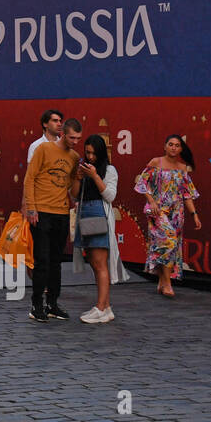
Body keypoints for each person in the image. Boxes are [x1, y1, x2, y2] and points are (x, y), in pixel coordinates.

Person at [22, 116, 82, 322]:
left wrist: (79, 178)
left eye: (78, 138)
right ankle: (36, 304)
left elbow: (73, 191)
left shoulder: (74, 157)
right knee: (42, 261)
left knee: (56, 262)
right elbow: (29, 179)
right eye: (72, 137)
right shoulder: (43, 149)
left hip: (61, 213)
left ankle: (53, 304)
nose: (75, 142)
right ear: (63, 134)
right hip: (41, 212)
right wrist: (31, 208)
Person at [134, 134, 200, 299]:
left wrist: (195, 215)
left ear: (180, 149)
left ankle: (162, 281)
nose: (173, 148)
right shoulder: (156, 162)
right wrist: (152, 201)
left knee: (170, 247)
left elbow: (187, 194)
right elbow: (142, 183)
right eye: (170, 144)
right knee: (169, 241)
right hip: (158, 212)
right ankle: (167, 283)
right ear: (165, 146)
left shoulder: (182, 168)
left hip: (177, 213)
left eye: (177, 145)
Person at [71, 133, 118, 323]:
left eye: (93, 153)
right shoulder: (82, 167)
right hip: (84, 213)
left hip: (99, 215)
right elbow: (74, 196)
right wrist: (78, 177)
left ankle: (101, 307)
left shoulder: (109, 170)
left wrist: (95, 176)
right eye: (87, 152)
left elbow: (110, 196)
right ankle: (105, 306)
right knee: (93, 262)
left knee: (100, 263)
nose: (90, 157)